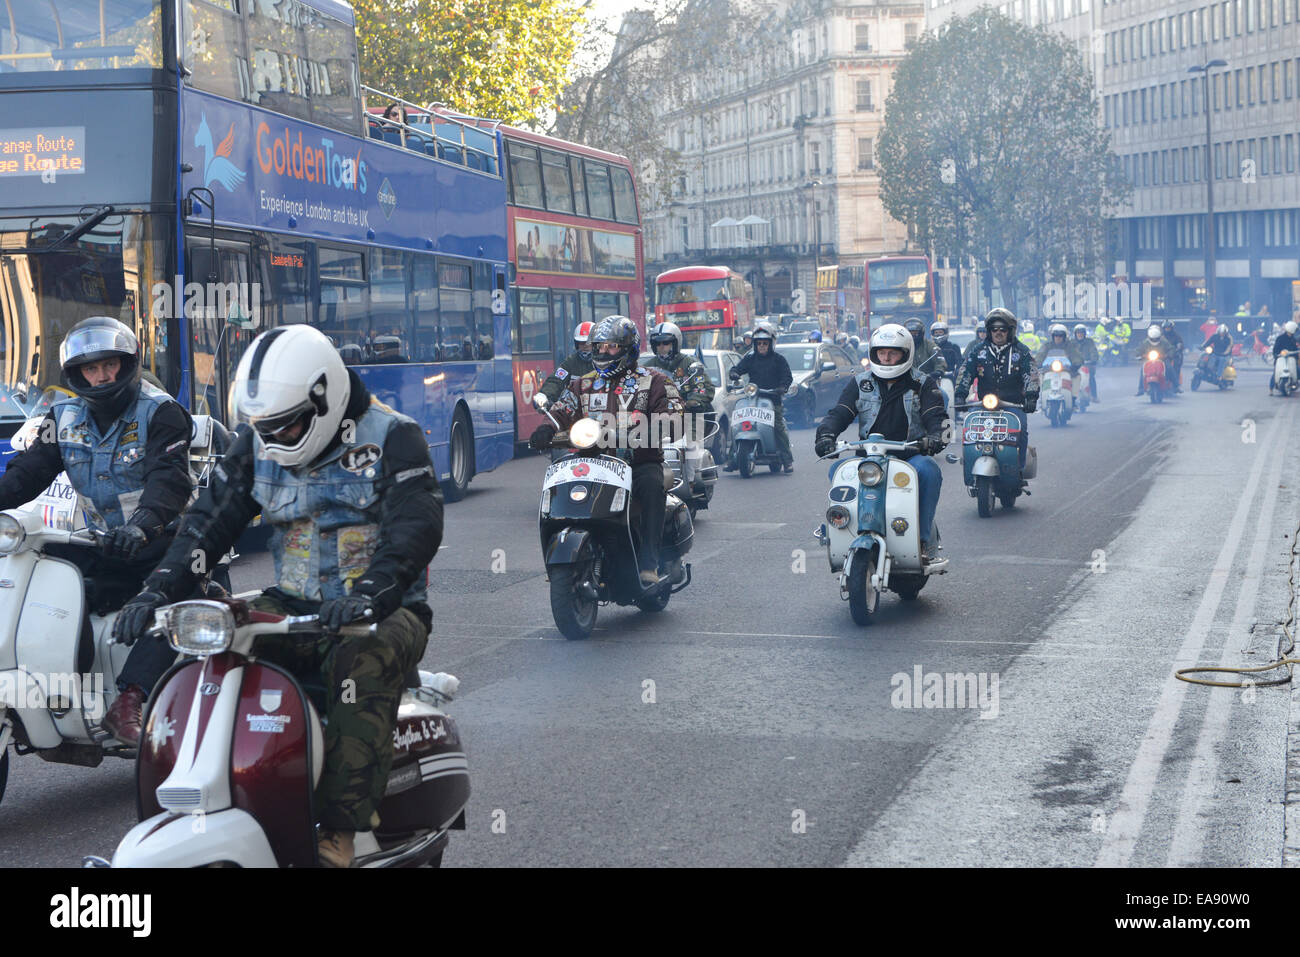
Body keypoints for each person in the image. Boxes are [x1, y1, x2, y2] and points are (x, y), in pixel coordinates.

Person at [113, 324, 442, 868]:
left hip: (384, 608)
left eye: (286, 426)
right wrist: (155, 591)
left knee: (361, 660)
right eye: (262, 426)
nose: (273, 440)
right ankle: (238, 792)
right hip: (292, 601)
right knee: (216, 641)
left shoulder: (393, 436)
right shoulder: (257, 442)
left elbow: (417, 526)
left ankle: (341, 830)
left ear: (324, 397)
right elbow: (206, 525)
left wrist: (373, 592)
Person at [0, 317, 193, 747]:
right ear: (77, 374)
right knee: (46, 583)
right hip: (103, 543)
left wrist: (144, 526)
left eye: (108, 365)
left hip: (165, 542)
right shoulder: (62, 416)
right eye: (91, 369)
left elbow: (170, 480)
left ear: (127, 364)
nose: (101, 376)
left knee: (170, 602)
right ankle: (63, 686)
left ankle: (131, 700)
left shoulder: (161, 412)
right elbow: (27, 473)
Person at [529, 316, 683, 585]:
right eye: (599, 346)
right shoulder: (583, 384)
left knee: (650, 485)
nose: (603, 352)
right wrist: (546, 429)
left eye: (611, 347)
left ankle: (649, 563)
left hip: (638, 462)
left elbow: (674, 417)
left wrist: (651, 430)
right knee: (561, 488)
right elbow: (560, 411)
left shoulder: (654, 381)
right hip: (593, 462)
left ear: (629, 348)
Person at [813, 324, 948, 565]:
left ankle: (923, 539)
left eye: (893, 353)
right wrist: (825, 435)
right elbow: (840, 413)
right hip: (868, 458)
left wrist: (935, 438)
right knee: (837, 471)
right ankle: (842, 529)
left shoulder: (922, 383)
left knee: (928, 470)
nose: (886, 358)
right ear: (873, 354)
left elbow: (937, 416)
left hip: (908, 455)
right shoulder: (860, 382)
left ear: (905, 353)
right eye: (881, 352)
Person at [954, 308, 1039, 472]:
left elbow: (1031, 374)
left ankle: (1019, 469)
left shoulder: (1021, 352)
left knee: (1021, 428)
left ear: (1010, 331)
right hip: (983, 403)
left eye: (1003, 329)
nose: (998, 332)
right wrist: (959, 395)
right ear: (989, 331)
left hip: (1013, 404)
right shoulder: (978, 351)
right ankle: (970, 464)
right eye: (994, 329)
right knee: (970, 427)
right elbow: (966, 372)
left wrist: (1031, 397)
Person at [727, 322, 794, 472]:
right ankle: (732, 458)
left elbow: (787, 377)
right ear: (755, 345)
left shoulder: (779, 360)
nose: (762, 346)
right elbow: (738, 368)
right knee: (738, 423)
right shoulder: (750, 359)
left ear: (771, 344)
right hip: (752, 399)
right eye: (759, 343)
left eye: (765, 343)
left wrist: (782, 387)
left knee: (778, 426)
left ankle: (787, 459)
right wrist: (734, 373)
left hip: (772, 400)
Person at [644, 321, 715, 417]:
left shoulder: (690, 364)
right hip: (658, 416)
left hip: (686, 415)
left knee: (694, 430)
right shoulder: (648, 368)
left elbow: (702, 386)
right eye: (657, 343)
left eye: (666, 342)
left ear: (675, 343)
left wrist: (694, 401)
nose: (661, 346)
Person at [538, 320, 596, 405]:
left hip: (600, 408)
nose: (585, 346)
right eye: (581, 343)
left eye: (588, 343)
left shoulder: (605, 361)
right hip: (576, 409)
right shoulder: (571, 362)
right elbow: (556, 380)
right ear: (577, 344)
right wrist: (544, 395)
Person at [1134, 324, 1175, 395]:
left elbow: (1171, 348)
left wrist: (1169, 355)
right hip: (1148, 361)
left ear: (1159, 336)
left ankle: (1176, 386)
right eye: (1153, 339)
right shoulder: (1145, 342)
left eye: (1156, 338)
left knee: (1169, 367)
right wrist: (1139, 355)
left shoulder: (1163, 341)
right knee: (1142, 371)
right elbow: (1138, 350)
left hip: (1162, 360)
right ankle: (1141, 389)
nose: (1154, 340)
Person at [1073, 323, 1101, 401]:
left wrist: (1093, 360)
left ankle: (1094, 396)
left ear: (1084, 334)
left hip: (1086, 365)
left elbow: (1093, 351)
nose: (1080, 334)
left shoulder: (1089, 342)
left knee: (1091, 377)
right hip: (1074, 366)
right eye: (1078, 333)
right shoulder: (1071, 342)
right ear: (1075, 334)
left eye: (1081, 333)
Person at [1269, 320, 1298, 394]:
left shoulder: (1293, 339)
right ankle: (1271, 389)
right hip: (1281, 358)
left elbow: (1295, 349)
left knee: (1297, 370)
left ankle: (1295, 382)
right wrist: (1276, 354)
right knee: (1276, 372)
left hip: (1291, 359)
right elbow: (1275, 349)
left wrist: (1296, 356)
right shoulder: (1280, 338)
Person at [1160, 320, 1184, 391]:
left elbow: (1180, 343)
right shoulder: (1161, 336)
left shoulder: (1176, 336)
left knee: (1175, 366)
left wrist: (1179, 348)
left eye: (1168, 328)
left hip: (1173, 355)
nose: (1167, 329)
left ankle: (1175, 385)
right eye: (1165, 328)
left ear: (1171, 328)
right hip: (1162, 355)